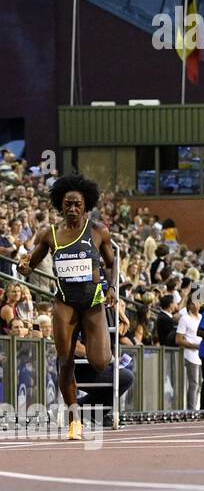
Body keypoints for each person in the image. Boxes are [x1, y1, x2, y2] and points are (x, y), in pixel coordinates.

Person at [18, 174, 117, 440]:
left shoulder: (98, 231)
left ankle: (87, 395)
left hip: (94, 303)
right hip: (65, 303)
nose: (72, 209)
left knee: (100, 362)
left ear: (86, 207)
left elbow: (111, 262)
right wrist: (23, 266)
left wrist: (112, 288)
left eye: (77, 204)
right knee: (65, 360)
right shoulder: (49, 234)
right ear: (60, 206)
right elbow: (29, 267)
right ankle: (75, 420)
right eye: (68, 204)